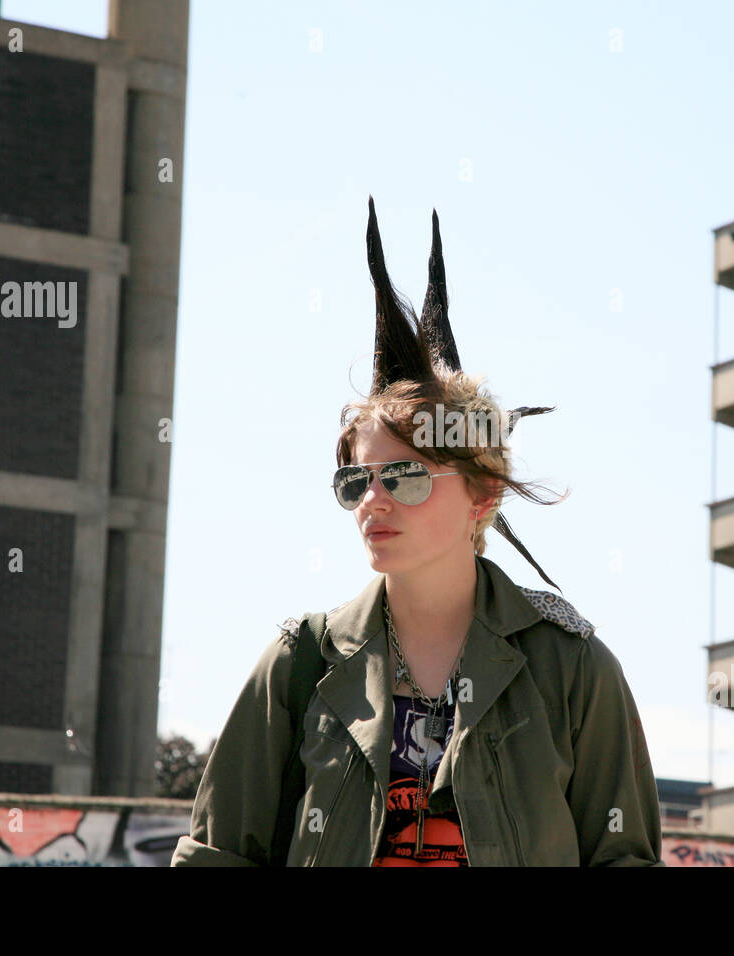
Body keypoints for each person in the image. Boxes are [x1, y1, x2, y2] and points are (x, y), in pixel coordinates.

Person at [171, 198, 663, 866]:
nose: (373, 501)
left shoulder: (573, 671)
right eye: (356, 481)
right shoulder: (300, 665)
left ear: (482, 493)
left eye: (404, 476)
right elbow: (216, 857)